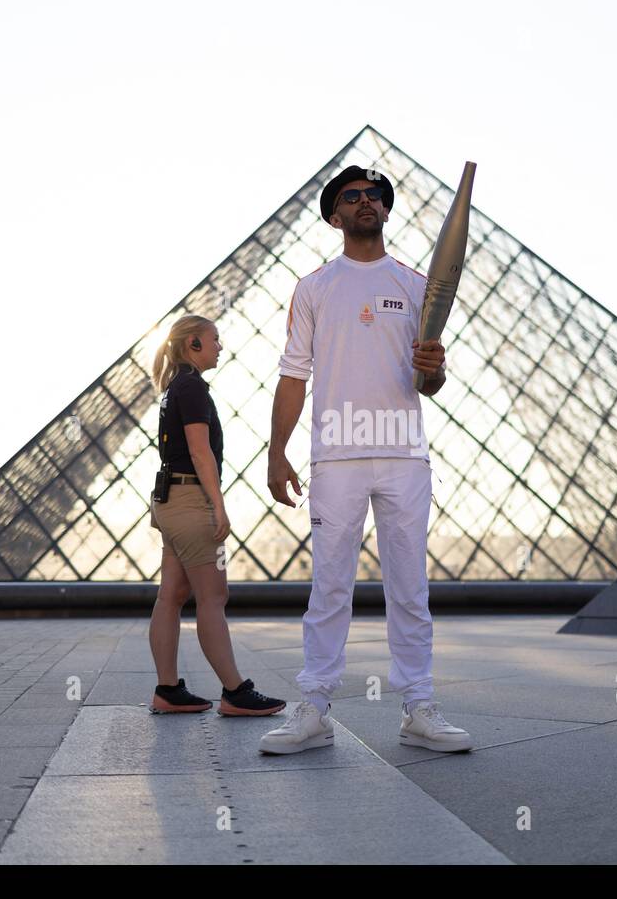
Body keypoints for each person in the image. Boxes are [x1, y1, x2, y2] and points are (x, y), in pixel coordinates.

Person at [259, 165, 473, 755]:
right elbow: (293, 374)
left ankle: (419, 707)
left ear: (385, 209)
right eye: (352, 197)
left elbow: (429, 383)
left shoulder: (415, 285)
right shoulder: (314, 288)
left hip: (404, 454)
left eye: (375, 196)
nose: (365, 203)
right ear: (334, 216)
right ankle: (315, 708)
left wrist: (435, 368)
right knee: (330, 588)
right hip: (336, 456)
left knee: (410, 587)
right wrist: (277, 453)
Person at [147, 314, 285, 717]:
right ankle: (235, 691)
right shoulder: (192, 389)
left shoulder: (176, 387)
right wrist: (218, 505)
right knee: (213, 596)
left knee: (171, 596)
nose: (220, 347)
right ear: (194, 343)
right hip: (191, 502)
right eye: (215, 339)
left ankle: (168, 690)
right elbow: (200, 451)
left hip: (169, 502)